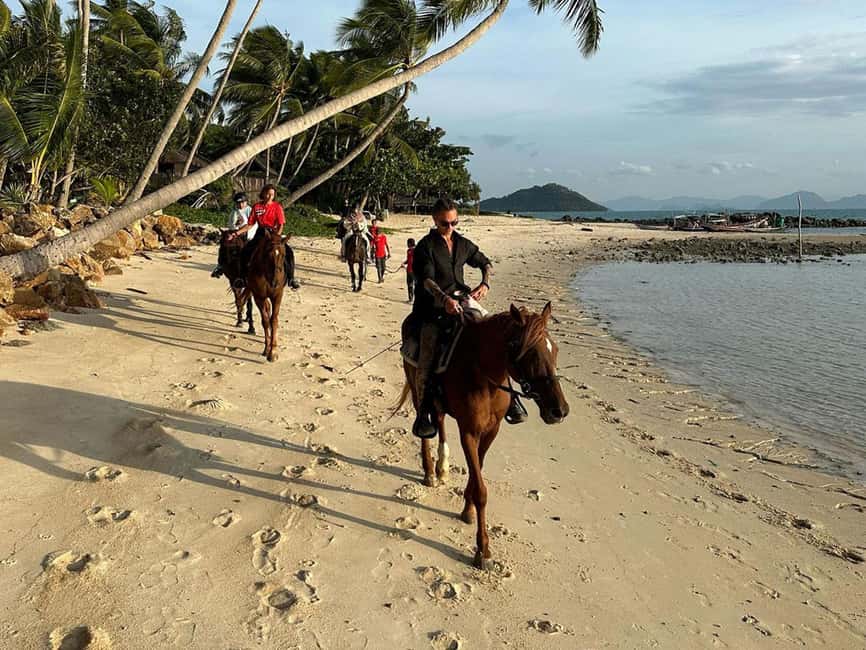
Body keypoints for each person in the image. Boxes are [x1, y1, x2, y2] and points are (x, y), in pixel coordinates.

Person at [410, 197, 526, 438]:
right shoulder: (425, 247)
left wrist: (485, 283)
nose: (450, 227)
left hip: (462, 300)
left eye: (454, 222)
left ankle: (511, 397)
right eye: (445, 223)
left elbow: (485, 262)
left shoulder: (462, 243)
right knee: (428, 351)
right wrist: (445, 300)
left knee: (496, 334)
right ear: (434, 220)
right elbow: (427, 280)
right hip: (433, 307)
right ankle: (423, 411)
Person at [229, 184, 300, 290]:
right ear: (263, 193)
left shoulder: (277, 207)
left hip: (274, 233)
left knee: (289, 252)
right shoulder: (257, 207)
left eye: (272, 194)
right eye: (268, 193)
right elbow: (250, 224)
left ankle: (291, 278)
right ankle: (242, 278)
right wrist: (237, 233)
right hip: (260, 233)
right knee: (245, 251)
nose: (270, 196)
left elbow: (281, 224)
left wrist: (277, 236)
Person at [211, 192, 253, 278]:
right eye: (238, 203)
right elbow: (231, 225)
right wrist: (230, 234)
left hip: (248, 234)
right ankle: (220, 265)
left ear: (246, 202)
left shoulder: (250, 210)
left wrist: (237, 233)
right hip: (236, 234)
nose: (240, 205)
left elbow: (250, 224)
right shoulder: (233, 212)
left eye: (242, 202)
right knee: (224, 244)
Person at [399, 238, 416, 303]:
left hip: (413, 271)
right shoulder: (408, 251)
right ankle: (410, 299)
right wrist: (404, 263)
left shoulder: (416, 251)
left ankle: (413, 299)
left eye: (407, 243)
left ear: (409, 244)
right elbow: (409, 260)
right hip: (408, 270)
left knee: (412, 285)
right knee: (409, 285)